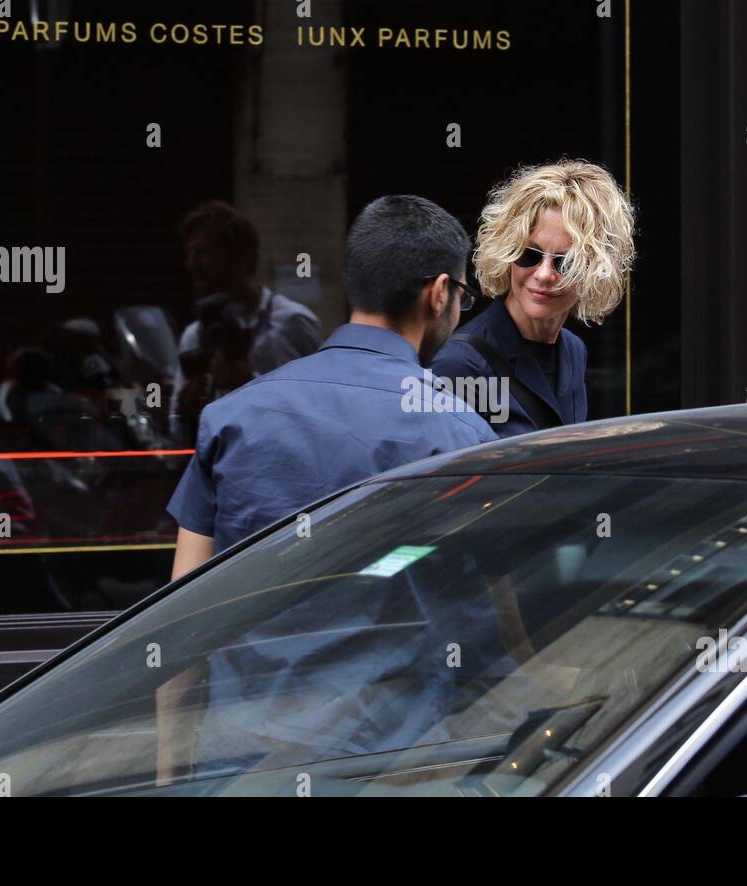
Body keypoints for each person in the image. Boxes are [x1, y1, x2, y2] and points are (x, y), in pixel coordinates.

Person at [157, 195, 497, 780]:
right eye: (464, 296)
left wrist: (168, 779)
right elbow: (480, 629)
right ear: (439, 293)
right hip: (390, 763)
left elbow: (181, 623)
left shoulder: (232, 418)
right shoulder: (460, 434)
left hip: (239, 761)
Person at [430, 161, 636, 437]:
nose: (543, 274)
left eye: (565, 263)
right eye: (530, 254)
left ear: (594, 270)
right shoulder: (459, 363)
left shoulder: (573, 351)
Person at [171, 201, 323, 423]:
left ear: (240, 257)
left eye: (203, 252)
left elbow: (319, 408)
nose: (192, 264)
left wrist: (247, 382)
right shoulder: (193, 337)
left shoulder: (290, 323)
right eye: (190, 254)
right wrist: (185, 410)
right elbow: (176, 431)